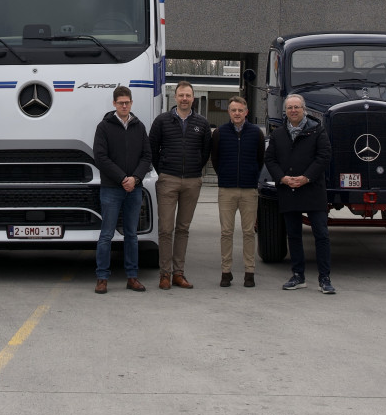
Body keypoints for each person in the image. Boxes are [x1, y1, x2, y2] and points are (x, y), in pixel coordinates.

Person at [265, 93, 335, 294]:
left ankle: (325, 279)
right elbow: (270, 160)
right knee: (293, 235)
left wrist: (306, 178)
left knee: (321, 234)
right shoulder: (278, 135)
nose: (293, 111)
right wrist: (283, 178)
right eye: (289, 108)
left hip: (312, 190)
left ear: (304, 110)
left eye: (297, 107)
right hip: (289, 190)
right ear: (285, 111)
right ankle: (298, 276)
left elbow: (324, 157)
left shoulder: (317, 131)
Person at [148, 81, 213, 290]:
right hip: (168, 179)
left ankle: (179, 273)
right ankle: (164, 274)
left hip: (192, 181)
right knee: (166, 229)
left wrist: (194, 169)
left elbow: (205, 152)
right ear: (175, 97)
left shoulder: (202, 123)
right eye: (181, 95)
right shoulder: (162, 121)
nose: (185, 99)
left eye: (188, 95)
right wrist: (164, 170)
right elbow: (152, 148)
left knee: (183, 229)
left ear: (193, 98)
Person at [91, 85, 151, 294]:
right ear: (114, 104)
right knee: (106, 235)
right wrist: (122, 178)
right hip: (111, 189)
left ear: (131, 103)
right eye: (120, 103)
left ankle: (132, 277)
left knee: (131, 235)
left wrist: (135, 178)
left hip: (134, 189)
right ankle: (102, 277)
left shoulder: (139, 127)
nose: (124, 106)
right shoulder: (104, 127)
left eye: (127, 102)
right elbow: (100, 157)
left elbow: (147, 156)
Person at [212, 96, 265, 287]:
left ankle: (249, 272)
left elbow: (260, 159)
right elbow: (215, 160)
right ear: (229, 112)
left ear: (246, 112)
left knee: (248, 232)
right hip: (227, 190)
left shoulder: (256, 133)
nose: (237, 113)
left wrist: (250, 175)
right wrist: (225, 175)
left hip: (249, 190)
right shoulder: (219, 133)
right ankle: (226, 272)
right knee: (226, 232)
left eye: (240, 110)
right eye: (233, 110)